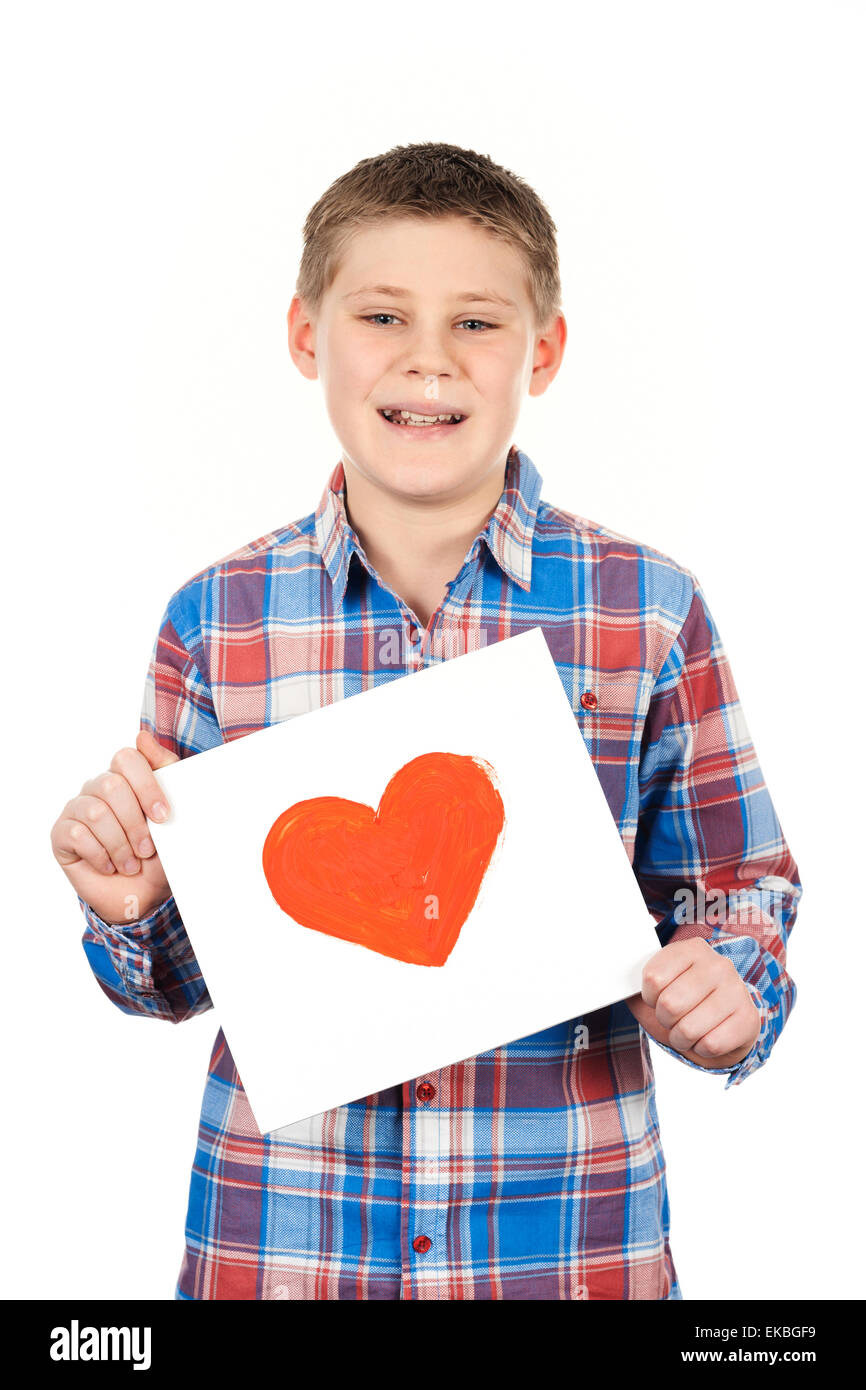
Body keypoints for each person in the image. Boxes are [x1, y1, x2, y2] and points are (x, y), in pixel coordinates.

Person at [50, 142, 801, 1301]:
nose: (427, 359)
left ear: (541, 351)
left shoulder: (645, 610)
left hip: (563, 1248)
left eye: (476, 324)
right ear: (307, 336)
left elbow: (735, 882)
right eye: (383, 314)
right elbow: (184, 977)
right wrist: (134, 911)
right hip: (287, 1245)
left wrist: (731, 985)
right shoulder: (215, 621)